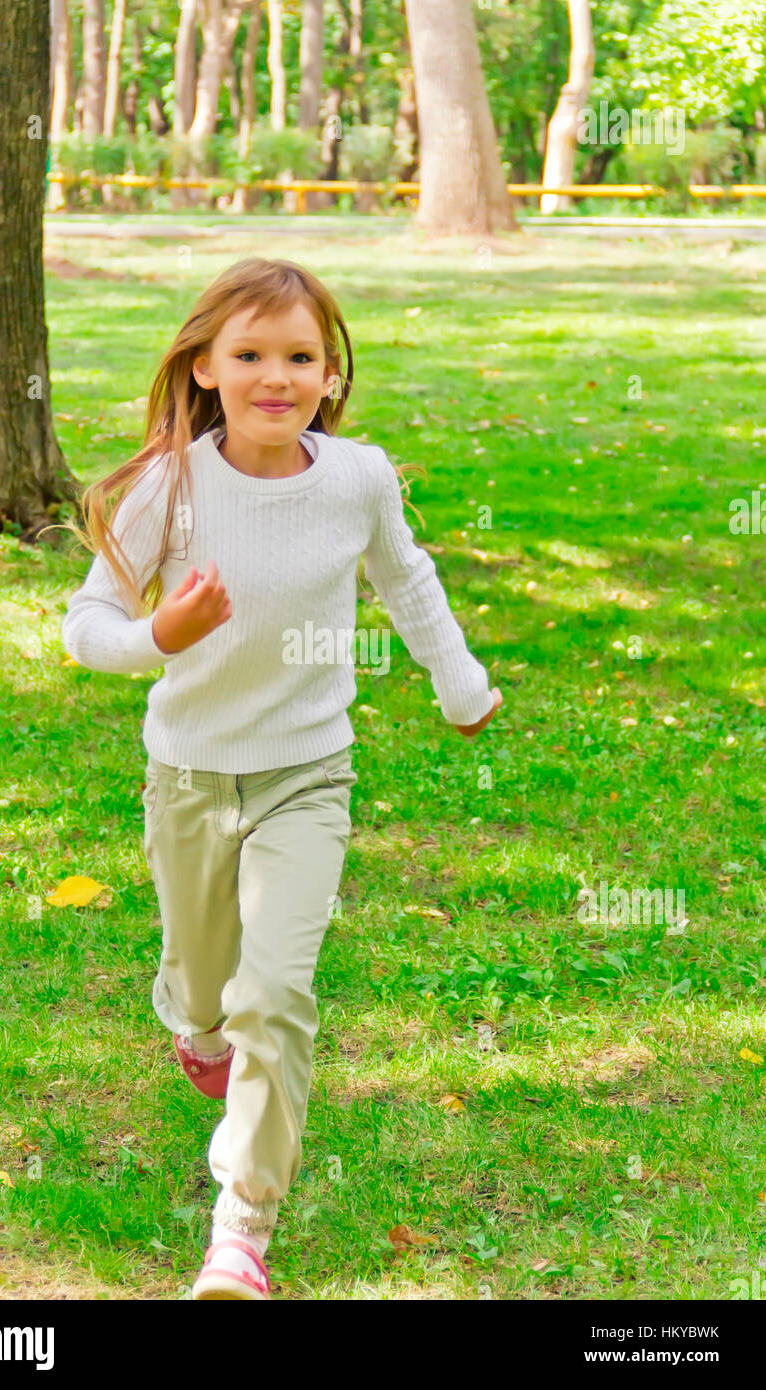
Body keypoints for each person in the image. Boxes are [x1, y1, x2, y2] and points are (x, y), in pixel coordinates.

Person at [60, 257, 503, 1300]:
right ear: (203, 367)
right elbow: (85, 627)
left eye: (299, 355)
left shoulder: (355, 477)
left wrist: (459, 681)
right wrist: (156, 634)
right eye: (249, 355)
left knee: (276, 994)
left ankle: (239, 1230)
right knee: (208, 987)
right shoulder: (169, 484)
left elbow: (407, 578)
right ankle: (193, 1021)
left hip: (307, 773)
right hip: (190, 777)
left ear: (328, 372)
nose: (276, 375)